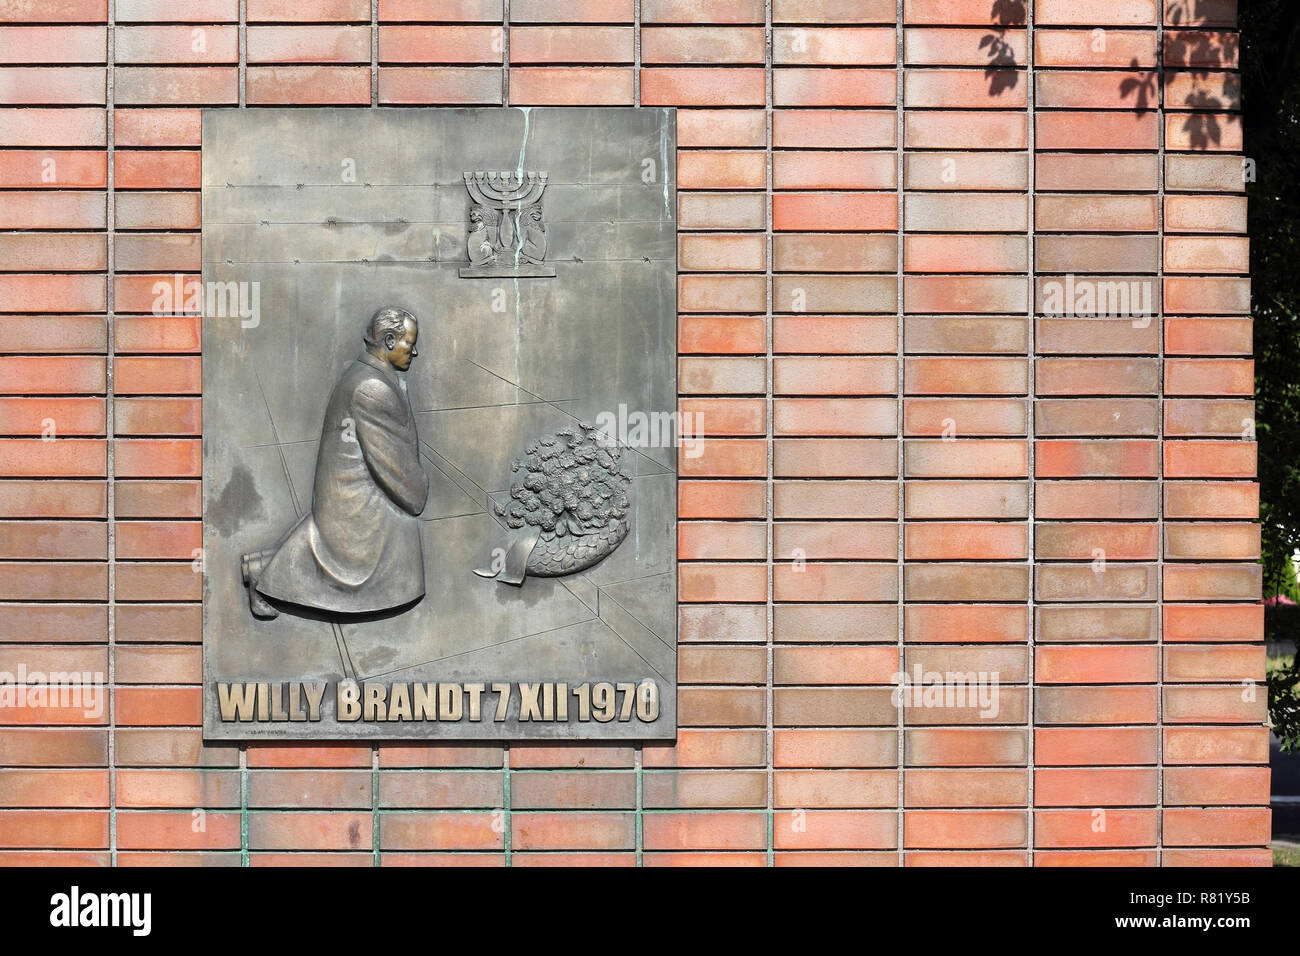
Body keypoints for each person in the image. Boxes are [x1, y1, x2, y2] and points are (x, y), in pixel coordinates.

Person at [242, 307, 429, 619]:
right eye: (409, 343)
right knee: (399, 558)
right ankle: (265, 577)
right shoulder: (373, 389)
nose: (415, 351)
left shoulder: (364, 376)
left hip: (348, 503)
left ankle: (265, 569)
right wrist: (418, 487)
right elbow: (409, 488)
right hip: (356, 515)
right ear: (389, 340)